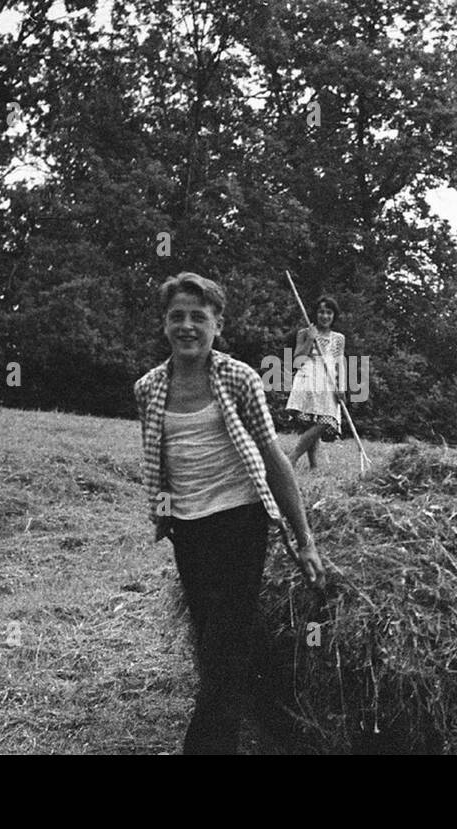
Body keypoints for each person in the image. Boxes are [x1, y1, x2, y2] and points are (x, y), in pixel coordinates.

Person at [133, 272, 327, 755]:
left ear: (217, 325)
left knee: (225, 643)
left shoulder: (238, 378)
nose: (187, 326)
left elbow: (274, 457)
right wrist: (165, 522)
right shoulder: (149, 388)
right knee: (216, 637)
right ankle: (281, 725)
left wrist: (304, 540)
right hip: (187, 529)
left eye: (199, 317)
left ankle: (206, 747)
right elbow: (157, 464)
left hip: (240, 520)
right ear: (164, 325)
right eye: (177, 316)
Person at [285, 296, 346, 470]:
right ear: (315, 313)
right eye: (321, 312)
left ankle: (312, 466)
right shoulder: (304, 333)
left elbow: (339, 363)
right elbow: (297, 359)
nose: (325, 316)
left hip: (328, 382)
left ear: (334, 315)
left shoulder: (339, 338)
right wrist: (311, 339)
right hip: (307, 378)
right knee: (318, 422)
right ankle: (293, 458)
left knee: (325, 419)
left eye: (329, 312)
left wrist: (342, 387)